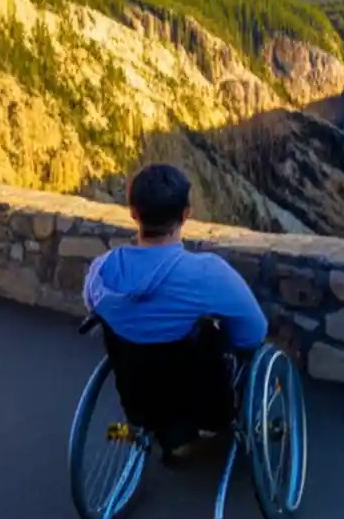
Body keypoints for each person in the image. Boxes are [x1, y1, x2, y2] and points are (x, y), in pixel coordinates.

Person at [82, 163, 268, 459]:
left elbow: (95, 313)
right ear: (185, 214)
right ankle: (199, 433)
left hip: (137, 401)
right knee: (209, 334)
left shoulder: (102, 270)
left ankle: (162, 435)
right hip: (201, 406)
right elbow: (253, 334)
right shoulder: (207, 273)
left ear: (133, 212)